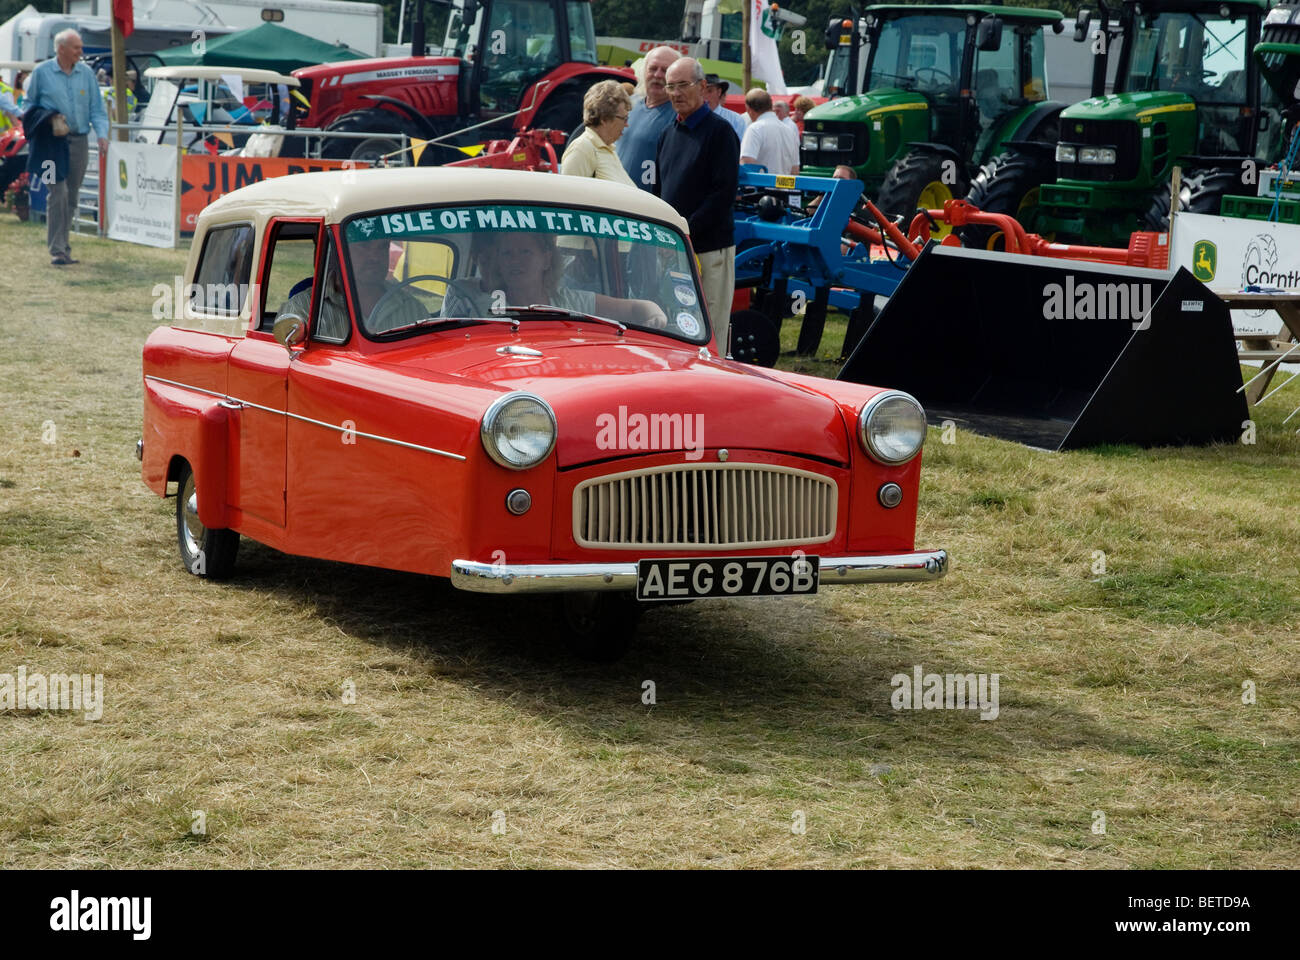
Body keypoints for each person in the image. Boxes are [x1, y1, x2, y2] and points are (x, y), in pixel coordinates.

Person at [653, 57, 739, 353]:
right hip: (675, 246)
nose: (675, 93)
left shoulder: (721, 133)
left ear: (703, 87)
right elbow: (659, 192)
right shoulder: (667, 134)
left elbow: (723, 194)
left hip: (709, 248)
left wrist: (685, 231)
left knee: (710, 326)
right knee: (676, 322)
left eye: (683, 85)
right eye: (670, 86)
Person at [441, 232, 667, 327]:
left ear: (547, 260)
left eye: (525, 252)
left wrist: (655, 316)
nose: (515, 261)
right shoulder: (478, 302)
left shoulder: (569, 302)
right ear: (498, 261)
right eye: (507, 254)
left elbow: (638, 308)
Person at [23, 30, 108, 266]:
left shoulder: (87, 74)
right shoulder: (42, 73)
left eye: (80, 47)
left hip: (79, 142)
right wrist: (47, 117)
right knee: (57, 191)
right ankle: (57, 250)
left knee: (72, 194)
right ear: (61, 48)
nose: (80, 52)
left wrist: (102, 135)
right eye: (76, 48)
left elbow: (97, 109)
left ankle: (64, 246)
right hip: (50, 143)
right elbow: (28, 105)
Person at [616, 45, 680, 190]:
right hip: (615, 199)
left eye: (665, 70)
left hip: (647, 206)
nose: (657, 75)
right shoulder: (627, 105)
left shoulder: (679, 116)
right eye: (653, 68)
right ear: (644, 71)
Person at [560, 79, 634, 185]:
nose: (626, 124)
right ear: (604, 118)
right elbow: (569, 196)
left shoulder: (609, 149)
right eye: (624, 119)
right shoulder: (582, 149)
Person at [740, 87, 799, 176]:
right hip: (785, 188)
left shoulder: (755, 129)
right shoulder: (790, 131)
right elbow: (795, 170)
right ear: (770, 106)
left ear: (749, 109)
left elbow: (747, 164)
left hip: (760, 188)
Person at [703, 73, 747, 141]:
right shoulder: (692, 118)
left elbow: (742, 148)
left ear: (719, 92)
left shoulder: (736, 120)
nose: (705, 96)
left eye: (709, 91)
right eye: (702, 91)